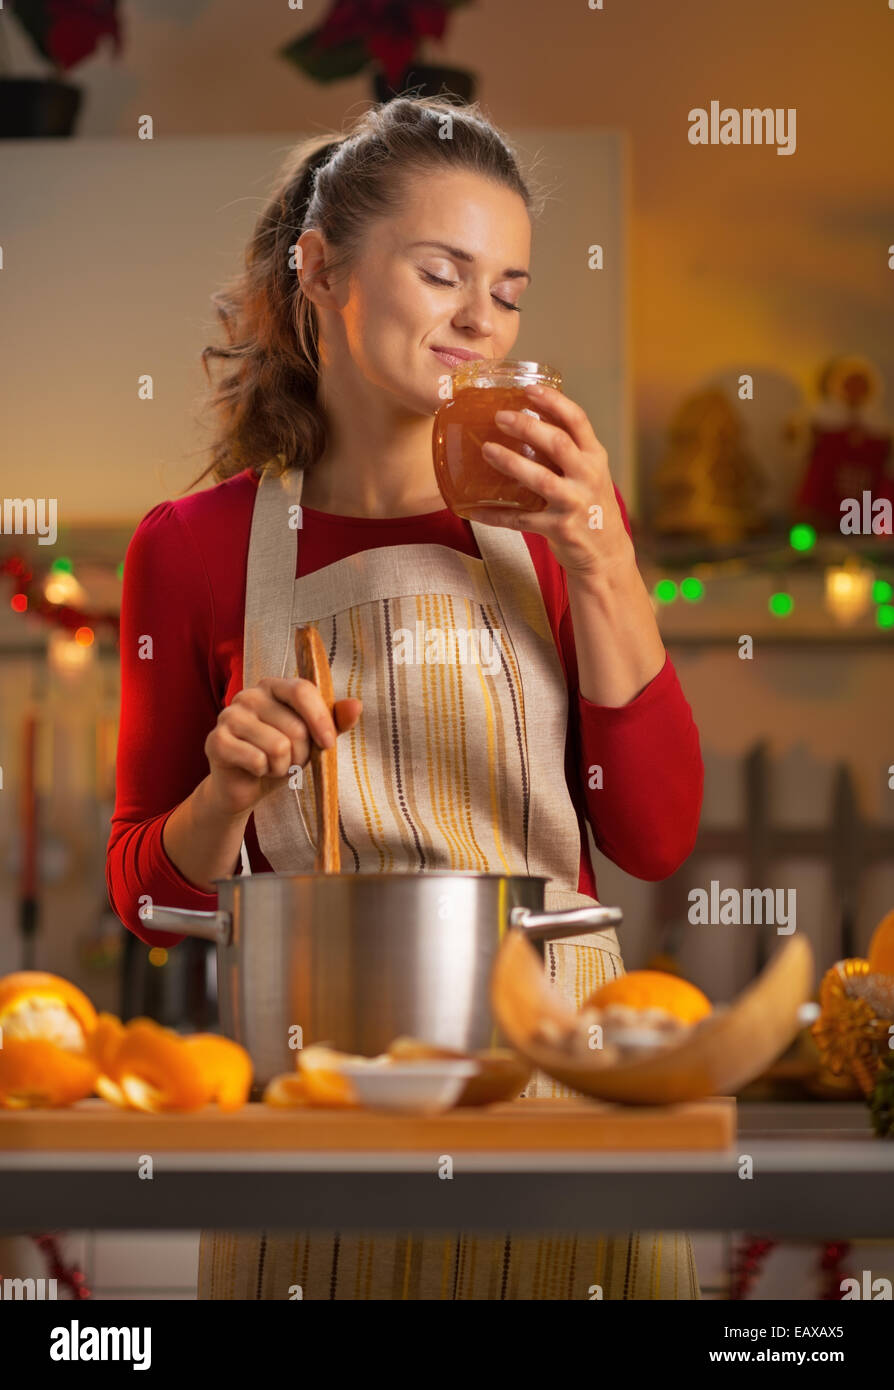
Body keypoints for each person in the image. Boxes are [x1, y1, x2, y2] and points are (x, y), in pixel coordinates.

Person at [106, 95, 704, 1300]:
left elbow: (652, 837)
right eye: (444, 274)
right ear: (321, 269)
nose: (482, 320)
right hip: (320, 1102)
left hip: (559, 1097)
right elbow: (146, 894)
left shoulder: (560, 527)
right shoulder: (189, 547)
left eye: (512, 290)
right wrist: (224, 793)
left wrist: (600, 555)